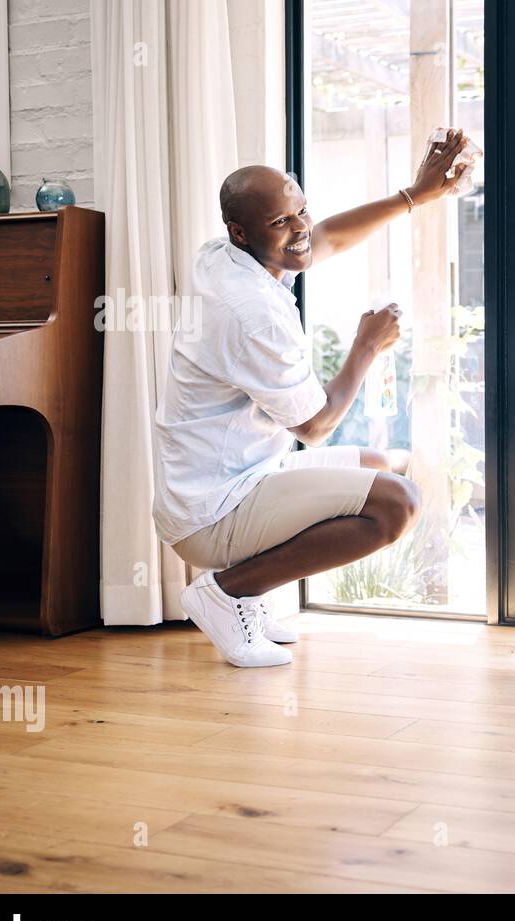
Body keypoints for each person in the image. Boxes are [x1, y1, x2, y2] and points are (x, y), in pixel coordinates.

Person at [152, 130, 473, 668]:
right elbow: (317, 426)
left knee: (377, 464)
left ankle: (245, 594)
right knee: (397, 505)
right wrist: (366, 346)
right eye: (280, 222)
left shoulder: (222, 257)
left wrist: (417, 195)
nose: (299, 228)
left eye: (299, 210)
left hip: (237, 479)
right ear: (240, 231)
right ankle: (228, 591)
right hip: (212, 511)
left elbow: (325, 238)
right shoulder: (250, 313)